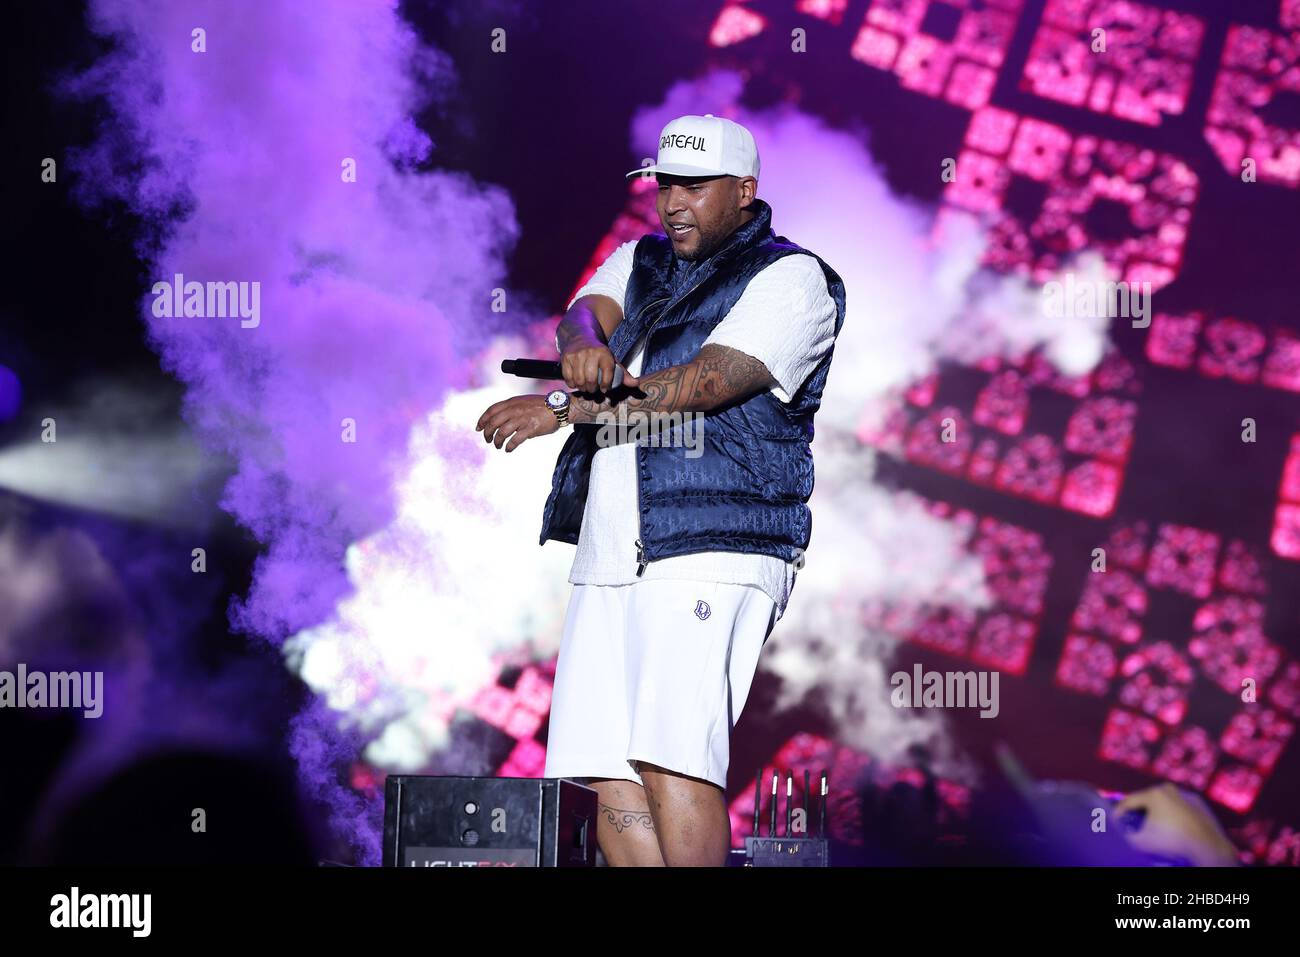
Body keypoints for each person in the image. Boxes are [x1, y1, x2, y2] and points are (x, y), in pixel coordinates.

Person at [476, 113, 846, 866]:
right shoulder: (638, 258)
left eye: (695, 185)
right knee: (609, 771)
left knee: (672, 756)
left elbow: (706, 383)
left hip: (713, 545)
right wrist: (580, 349)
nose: (673, 201)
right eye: (664, 183)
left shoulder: (794, 277)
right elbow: (586, 313)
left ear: (744, 191)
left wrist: (560, 405)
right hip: (613, 547)